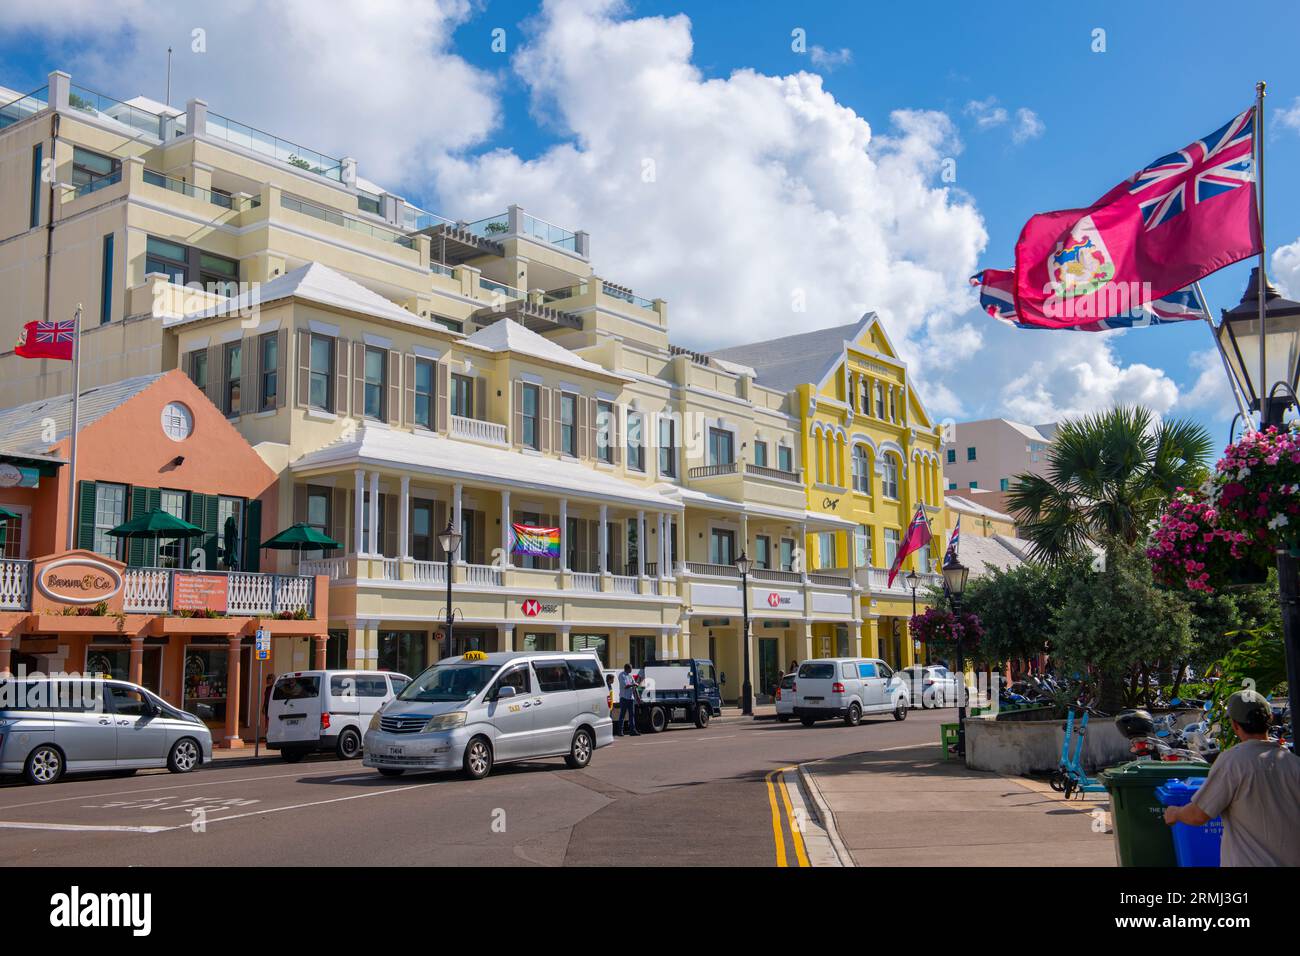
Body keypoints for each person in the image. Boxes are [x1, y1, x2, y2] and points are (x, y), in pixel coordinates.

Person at [1163, 689, 1300, 866]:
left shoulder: (1232, 762)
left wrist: (1176, 813)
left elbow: (1198, 815)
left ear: (1235, 725)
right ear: (1270, 720)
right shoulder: (1293, 762)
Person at [616, 663, 640, 737]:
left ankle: (632, 731)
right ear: (627, 668)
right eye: (631, 668)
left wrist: (637, 697)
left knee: (632, 715)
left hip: (630, 698)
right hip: (624, 698)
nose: (631, 669)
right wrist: (634, 684)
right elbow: (625, 686)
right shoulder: (622, 675)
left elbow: (634, 687)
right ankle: (620, 731)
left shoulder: (630, 676)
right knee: (622, 715)